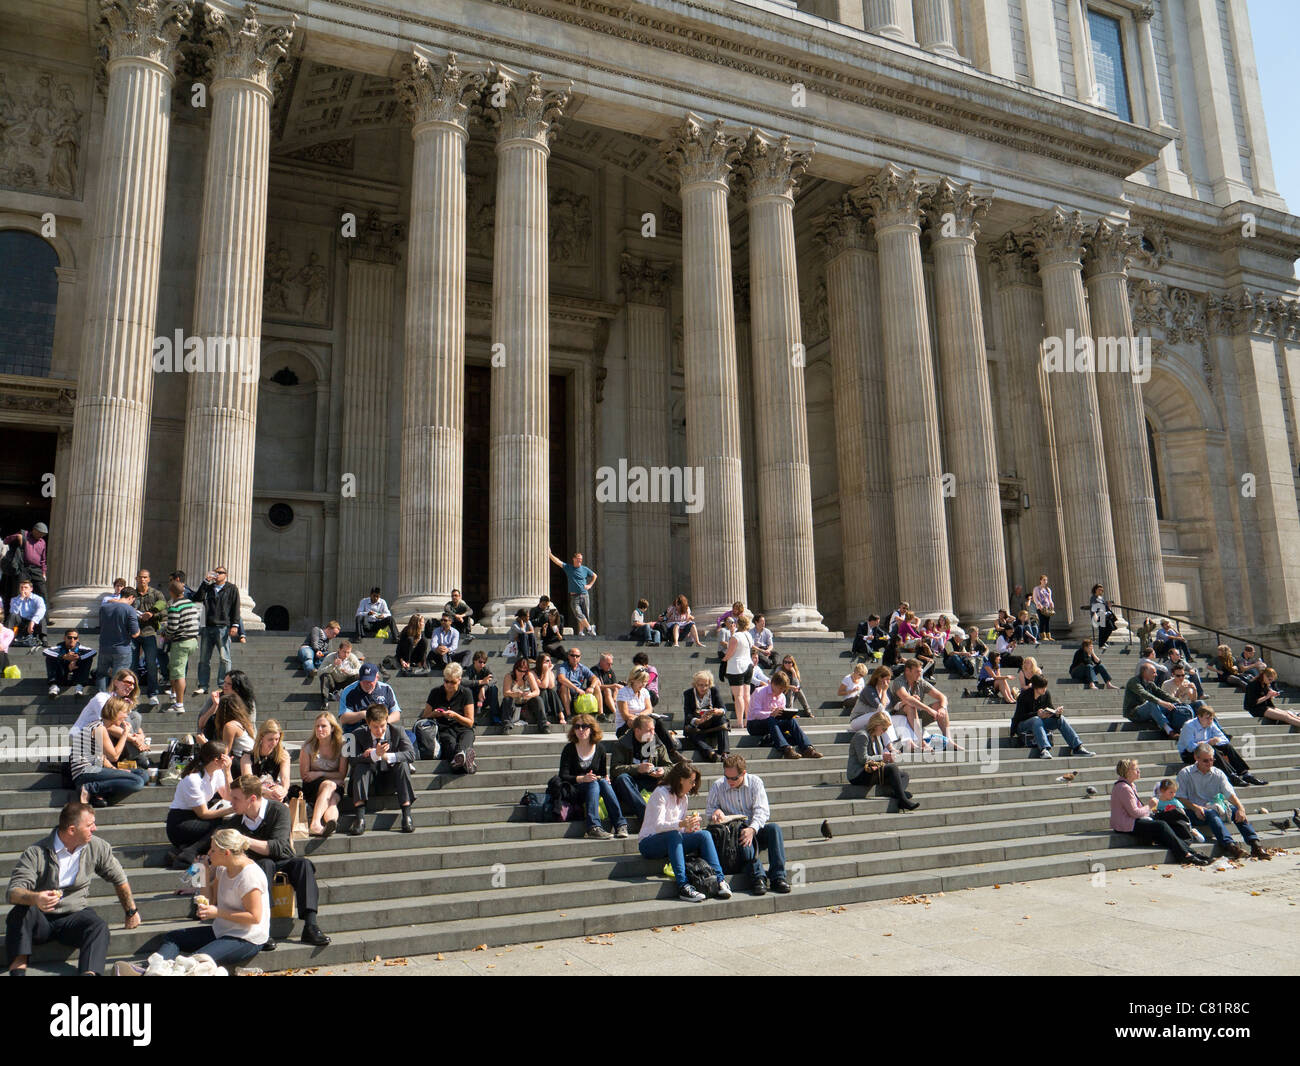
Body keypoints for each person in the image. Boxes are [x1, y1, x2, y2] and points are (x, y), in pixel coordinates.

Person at [5, 801, 140, 975]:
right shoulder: (36, 852)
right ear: (71, 830)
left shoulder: (97, 847)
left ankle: (90, 973)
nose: (95, 829)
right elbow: (13, 891)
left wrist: (131, 911)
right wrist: (36, 898)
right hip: (41, 920)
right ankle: (18, 970)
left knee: (98, 926)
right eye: (90, 825)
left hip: (74, 916)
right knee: (19, 913)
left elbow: (119, 878)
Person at [217, 777, 331, 945]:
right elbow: (216, 840)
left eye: (236, 798)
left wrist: (243, 840)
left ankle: (311, 926)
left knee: (303, 864)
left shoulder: (279, 810)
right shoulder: (235, 822)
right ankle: (264, 929)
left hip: (284, 860)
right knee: (264, 864)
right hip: (258, 866)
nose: (231, 802)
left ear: (252, 799)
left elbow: (279, 847)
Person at [156, 828, 268, 967]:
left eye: (213, 850)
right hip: (222, 930)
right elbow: (209, 900)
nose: (209, 853)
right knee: (172, 937)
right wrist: (203, 873)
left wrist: (217, 912)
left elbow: (254, 917)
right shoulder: (223, 868)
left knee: (196, 960)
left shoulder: (249, 876)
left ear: (226, 853)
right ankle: (157, 967)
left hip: (247, 938)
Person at [638, 761, 731, 903]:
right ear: (681, 780)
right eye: (691, 781)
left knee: (704, 835)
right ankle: (683, 886)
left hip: (672, 839)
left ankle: (719, 880)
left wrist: (689, 827)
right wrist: (681, 824)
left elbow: (679, 828)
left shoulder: (684, 798)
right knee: (674, 835)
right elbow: (658, 826)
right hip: (649, 842)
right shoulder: (661, 793)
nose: (694, 785)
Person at [705, 754, 790, 894]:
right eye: (727, 777)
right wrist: (716, 812)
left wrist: (752, 828)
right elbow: (709, 811)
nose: (729, 781)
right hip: (733, 836)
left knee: (774, 829)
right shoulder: (718, 786)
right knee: (742, 833)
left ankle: (778, 877)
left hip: (755, 828)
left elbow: (762, 811)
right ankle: (758, 878)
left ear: (743, 773)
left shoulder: (755, 782)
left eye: (734, 778)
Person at [1175, 745, 1270, 860]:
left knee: (1236, 810)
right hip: (1193, 811)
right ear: (1196, 758)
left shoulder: (1218, 773)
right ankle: (1229, 846)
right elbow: (1180, 797)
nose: (1209, 763)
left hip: (1215, 808)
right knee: (1210, 813)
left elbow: (1229, 794)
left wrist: (1240, 808)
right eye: (1205, 760)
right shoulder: (1185, 773)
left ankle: (1255, 845)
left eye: (1212, 760)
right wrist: (1195, 808)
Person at [1109, 758, 1209, 865]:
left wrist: (1150, 810)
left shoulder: (1130, 785)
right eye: (1136, 769)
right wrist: (1150, 806)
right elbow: (1134, 813)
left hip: (1133, 820)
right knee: (1161, 825)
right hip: (1126, 824)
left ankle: (1191, 853)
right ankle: (1186, 855)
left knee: (1167, 820)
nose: (1139, 771)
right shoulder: (1124, 787)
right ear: (1127, 772)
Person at [347, 704, 416, 835]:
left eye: (383, 726)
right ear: (368, 723)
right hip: (366, 782)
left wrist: (385, 756)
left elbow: (411, 755)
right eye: (375, 727)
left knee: (402, 764)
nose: (379, 730)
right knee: (361, 765)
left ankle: (407, 815)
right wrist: (373, 755)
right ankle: (360, 817)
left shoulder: (398, 731)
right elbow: (352, 760)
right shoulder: (357, 734)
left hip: (389, 782)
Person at [70, 695, 148, 807]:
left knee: (142, 774)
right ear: (115, 712)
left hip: (93, 770)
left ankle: (99, 796)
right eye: (124, 712)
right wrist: (125, 733)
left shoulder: (101, 726)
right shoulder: (99, 728)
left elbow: (101, 757)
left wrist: (114, 770)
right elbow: (114, 756)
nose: (126, 716)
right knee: (137, 782)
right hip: (84, 773)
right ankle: (89, 788)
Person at [165, 741, 234, 867]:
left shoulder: (217, 773)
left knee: (226, 824)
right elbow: (203, 814)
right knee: (222, 825)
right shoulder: (193, 780)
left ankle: (187, 850)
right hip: (180, 823)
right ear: (216, 760)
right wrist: (230, 811)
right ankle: (188, 855)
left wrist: (227, 772)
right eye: (226, 756)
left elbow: (229, 796)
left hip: (197, 819)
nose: (229, 759)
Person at [559, 715, 627, 839]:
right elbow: (563, 776)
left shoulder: (600, 748)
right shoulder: (569, 749)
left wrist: (605, 777)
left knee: (603, 783)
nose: (580, 730)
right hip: (574, 789)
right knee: (593, 783)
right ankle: (593, 827)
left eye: (584, 726)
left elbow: (601, 772)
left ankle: (620, 824)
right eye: (577, 727)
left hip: (593, 787)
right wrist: (582, 778)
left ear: (591, 729)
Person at [1176, 706, 1265, 786]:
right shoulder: (1189, 726)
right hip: (1188, 754)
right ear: (1199, 716)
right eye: (1207, 718)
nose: (1210, 721)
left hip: (1205, 748)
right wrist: (1208, 743)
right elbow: (1190, 747)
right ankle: (1231, 776)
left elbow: (1224, 739)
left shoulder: (1211, 724)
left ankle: (1245, 774)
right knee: (1211, 749)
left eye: (1211, 718)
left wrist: (1212, 742)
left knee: (1227, 747)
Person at [1010, 674, 1094, 758]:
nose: (1044, 689)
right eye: (1042, 687)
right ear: (1035, 687)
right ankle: (1044, 750)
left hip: (1039, 723)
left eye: (1045, 687)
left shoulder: (1046, 694)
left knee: (1060, 719)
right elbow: (1019, 717)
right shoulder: (1024, 696)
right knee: (1036, 719)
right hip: (1023, 725)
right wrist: (1037, 714)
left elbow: (1051, 709)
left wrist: (1056, 714)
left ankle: (1077, 747)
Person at [847, 711, 918, 810]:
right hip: (858, 774)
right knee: (892, 768)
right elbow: (863, 759)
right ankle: (902, 799)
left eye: (886, 729)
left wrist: (887, 758)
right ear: (876, 725)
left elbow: (877, 757)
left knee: (904, 775)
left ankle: (897, 792)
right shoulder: (862, 736)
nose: (884, 731)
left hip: (871, 770)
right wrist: (883, 757)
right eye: (883, 728)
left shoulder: (876, 736)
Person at [611, 714, 674, 821]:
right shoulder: (622, 744)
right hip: (631, 783)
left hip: (651, 780)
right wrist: (637, 768)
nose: (653, 733)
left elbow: (670, 767)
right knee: (622, 779)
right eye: (649, 730)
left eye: (653, 729)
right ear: (637, 731)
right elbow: (614, 770)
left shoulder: (657, 744)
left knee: (677, 777)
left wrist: (662, 771)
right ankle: (646, 816)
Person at [748, 670, 821, 759]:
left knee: (791, 720)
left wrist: (787, 715)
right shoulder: (759, 692)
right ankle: (786, 749)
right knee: (771, 719)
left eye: (784, 689)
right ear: (773, 684)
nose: (782, 691)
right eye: (780, 688)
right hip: (754, 724)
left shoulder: (782, 696)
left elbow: (780, 716)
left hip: (773, 724)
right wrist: (771, 713)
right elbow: (755, 714)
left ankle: (807, 748)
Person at [419, 663, 477, 773]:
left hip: (463, 728)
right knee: (449, 743)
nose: (449, 685)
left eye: (453, 682)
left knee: (467, 737)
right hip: (444, 729)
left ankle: (459, 759)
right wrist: (434, 714)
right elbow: (424, 717)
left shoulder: (466, 693)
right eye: (446, 681)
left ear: (459, 680)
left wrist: (455, 715)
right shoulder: (435, 692)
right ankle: (467, 762)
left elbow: (470, 722)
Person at [193, 567, 240, 695]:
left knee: (225, 658)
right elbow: (197, 598)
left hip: (223, 626)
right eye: (215, 572)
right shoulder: (208, 587)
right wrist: (205, 582)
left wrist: (235, 625)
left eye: (220, 573)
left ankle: (222, 685)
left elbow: (236, 607)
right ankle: (203, 685)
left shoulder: (231, 588)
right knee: (203, 658)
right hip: (207, 626)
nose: (217, 575)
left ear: (226, 574)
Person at [301, 713, 348, 837]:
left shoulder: (342, 745)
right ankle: (315, 824)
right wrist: (329, 778)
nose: (319, 729)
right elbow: (305, 776)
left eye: (323, 726)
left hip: (334, 784)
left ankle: (330, 825)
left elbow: (342, 775)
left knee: (333, 801)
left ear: (332, 728)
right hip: (312, 786)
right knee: (329, 785)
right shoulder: (308, 746)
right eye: (317, 726)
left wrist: (320, 773)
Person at [615, 666, 679, 755]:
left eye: (645, 681)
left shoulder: (644, 691)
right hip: (625, 727)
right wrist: (641, 718)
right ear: (632, 680)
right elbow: (625, 716)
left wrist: (639, 716)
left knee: (657, 722)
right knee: (651, 723)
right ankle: (662, 753)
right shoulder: (623, 692)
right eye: (641, 681)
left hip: (639, 721)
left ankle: (672, 751)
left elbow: (649, 708)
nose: (643, 684)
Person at [889, 659, 953, 744]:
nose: (920, 674)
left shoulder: (921, 682)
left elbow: (942, 697)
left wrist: (942, 708)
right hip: (901, 717)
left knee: (940, 706)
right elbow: (907, 699)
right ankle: (921, 741)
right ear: (907, 671)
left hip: (917, 717)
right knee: (910, 706)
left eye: (920, 671)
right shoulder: (899, 681)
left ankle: (948, 740)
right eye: (917, 672)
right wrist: (929, 710)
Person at [1123, 662, 1193, 740]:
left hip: (1147, 710)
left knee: (1173, 706)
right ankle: (1170, 731)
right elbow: (1144, 694)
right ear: (1145, 673)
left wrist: (1177, 701)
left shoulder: (1150, 684)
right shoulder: (1134, 682)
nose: (1156, 674)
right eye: (1154, 672)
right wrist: (1161, 702)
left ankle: (1181, 728)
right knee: (1152, 704)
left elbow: (1162, 694)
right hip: (1133, 713)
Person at [163, 577, 200, 715]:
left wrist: (164, 632)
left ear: (171, 592)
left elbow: (172, 627)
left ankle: (179, 704)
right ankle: (173, 695)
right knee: (175, 667)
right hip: (193, 640)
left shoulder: (174, 606)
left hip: (181, 641)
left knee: (178, 673)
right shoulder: (191, 604)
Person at [131, 570, 167, 704]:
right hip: (133, 633)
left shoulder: (155, 593)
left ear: (149, 579)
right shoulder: (132, 594)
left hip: (150, 632)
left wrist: (152, 613)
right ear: (136, 578)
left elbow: (164, 607)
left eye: (145, 577)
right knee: (132, 665)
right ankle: (133, 693)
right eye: (140, 577)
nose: (142, 580)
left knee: (151, 664)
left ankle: (153, 693)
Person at [96, 585, 139, 691]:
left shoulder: (104, 608)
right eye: (133, 600)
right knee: (119, 678)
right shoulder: (130, 610)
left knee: (101, 674)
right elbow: (135, 633)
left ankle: (101, 699)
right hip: (122, 649)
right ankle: (114, 702)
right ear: (131, 597)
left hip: (104, 647)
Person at [548, 547, 598, 637]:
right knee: (578, 612)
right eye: (578, 559)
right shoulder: (569, 568)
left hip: (584, 594)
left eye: (581, 559)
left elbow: (595, 575)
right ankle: (590, 628)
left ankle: (581, 631)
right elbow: (558, 562)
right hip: (575, 596)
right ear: (574, 559)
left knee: (584, 614)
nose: (580, 560)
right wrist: (550, 554)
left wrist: (590, 585)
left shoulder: (585, 569)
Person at [683, 670, 729, 761]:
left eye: (706, 685)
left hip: (712, 723)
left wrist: (717, 711)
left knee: (723, 720)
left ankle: (724, 753)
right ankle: (710, 753)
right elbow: (687, 714)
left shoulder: (714, 691)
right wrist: (698, 720)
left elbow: (723, 708)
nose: (703, 688)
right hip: (697, 724)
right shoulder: (688, 693)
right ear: (695, 684)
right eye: (700, 685)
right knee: (691, 731)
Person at [337, 661, 402, 727]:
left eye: (370, 681)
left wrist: (383, 722)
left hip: (382, 728)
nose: (367, 684)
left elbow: (396, 713)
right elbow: (343, 718)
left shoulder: (386, 689)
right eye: (364, 681)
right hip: (356, 729)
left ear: (377, 677)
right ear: (359, 677)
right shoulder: (349, 691)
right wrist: (363, 715)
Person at [724, 612, 756, 727]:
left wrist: (724, 660)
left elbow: (730, 653)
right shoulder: (748, 635)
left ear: (737, 624)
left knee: (738, 696)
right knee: (746, 695)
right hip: (748, 665)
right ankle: (748, 720)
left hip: (736, 667)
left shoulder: (735, 637)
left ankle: (739, 722)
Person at [3, 522, 48, 601]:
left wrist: (44, 573)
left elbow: (43, 560)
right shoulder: (24, 534)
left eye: (43, 534)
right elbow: (6, 541)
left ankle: (44, 612)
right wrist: (17, 536)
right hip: (23, 568)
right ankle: (17, 612)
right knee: (20, 591)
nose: (41, 536)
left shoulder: (42, 542)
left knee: (42, 591)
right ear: (34, 530)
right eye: (40, 533)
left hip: (36, 570)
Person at [246, 719, 291, 800]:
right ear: (261, 738)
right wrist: (267, 792)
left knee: (278, 792)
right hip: (255, 792)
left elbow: (285, 778)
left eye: (277, 739)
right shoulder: (247, 757)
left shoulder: (283, 754)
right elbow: (249, 783)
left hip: (275, 790)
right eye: (270, 739)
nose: (274, 743)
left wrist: (284, 791)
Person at [45, 629, 96, 698]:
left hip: (77, 675)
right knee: (50, 657)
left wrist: (77, 659)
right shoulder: (59, 648)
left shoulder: (81, 648)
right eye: (69, 637)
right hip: (61, 675)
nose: (72, 640)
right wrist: (64, 656)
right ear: (64, 638)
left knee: (88, 657)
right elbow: (46, 651)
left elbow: (93, 651)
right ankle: (54, 686)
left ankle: (79, 686)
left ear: (78, 639)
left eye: (75, 638)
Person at [500, 656, 542, 734]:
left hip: (525, 705)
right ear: (515, 668)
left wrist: (530, 695)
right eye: (519, 670)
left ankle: (543, 724)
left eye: (524, 671)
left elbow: (537, 691)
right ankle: (506, 725)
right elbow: (506, 693)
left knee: (538, 699)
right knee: (507, 699)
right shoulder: (509, 676)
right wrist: (515, 694)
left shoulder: (528, 675)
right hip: (512, 705)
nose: (522, 673)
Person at [556, 646, 598, 719]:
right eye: (572, 655)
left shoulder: (582, 667)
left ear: (580, 657)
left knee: (596, 687)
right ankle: (568, 714)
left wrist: (592, 687)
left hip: (579, 692)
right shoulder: (563, 666)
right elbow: (561, 678)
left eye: (577, 656)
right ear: (568, 656)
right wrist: (576, 688)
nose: (575, 658)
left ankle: (600, 714)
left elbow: (595, 678)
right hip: (567, 691)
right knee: (564, 686)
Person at [848, 665, 892, 732]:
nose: (888, 682)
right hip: (857, 720)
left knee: (901, 719)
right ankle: (890, 742)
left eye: (889, 679)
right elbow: (881, 708)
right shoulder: (869, 690)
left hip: (876, 718)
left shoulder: (887, 689)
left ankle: (900, 741)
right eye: (887, 679)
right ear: (879, 678)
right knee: (883, 714)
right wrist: (884, 691)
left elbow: (892, 706)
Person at [317, 639, 361, 704]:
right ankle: (325, 701)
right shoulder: (330, 657)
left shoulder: (352, 657)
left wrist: (349, 671)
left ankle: (354, 698)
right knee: (325, 676)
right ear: (339, 650)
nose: (346, 655)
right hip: (333, 683)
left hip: (346, 682)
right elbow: (320, 672)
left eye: (348, 652)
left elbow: (360, 670)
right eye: (344, 652)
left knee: (358, 676)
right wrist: (333, 665)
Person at [6, 578, 47, 647]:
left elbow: (41, 610)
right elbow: (13, 612)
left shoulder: (37, 598)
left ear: (31, 589)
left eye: (26, 587)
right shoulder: (14, 599)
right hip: (21, 622)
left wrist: (33, 621)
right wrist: (21, 599)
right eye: (21, 587)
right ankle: (7, 638)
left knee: (42, 618)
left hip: (33, 622)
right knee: (12, 616)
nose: (23, 589)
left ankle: (44, 639)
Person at [464, 650, 500, 726]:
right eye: (480, 662)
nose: (482, 664)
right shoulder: (469, 669)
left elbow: (494, 679)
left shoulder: (486, 669)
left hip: (483, 697)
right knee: (467, 690)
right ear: (474, 661)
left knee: (494, 688)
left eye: (484, 662)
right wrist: (481, 682)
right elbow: (464, 682)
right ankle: (471, 717)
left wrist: (483, 688)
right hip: (472, 697)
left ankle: (495, 717)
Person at [535, 652, 566, 728]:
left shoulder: (550, 672)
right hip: (536, 698)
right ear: (540, 662)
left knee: (552, 691)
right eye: (547, 661)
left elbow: (551, 686)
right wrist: (546, 671)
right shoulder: (534, 672)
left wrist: (548, 671)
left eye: (550, 661)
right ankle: (544, 716)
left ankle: (561, 715)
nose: (550, 663)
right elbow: (544, 686)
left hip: (548, 697)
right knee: (543, 691)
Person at [591, 651, 619, 720]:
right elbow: (597, 686)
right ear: (601, 662)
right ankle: (616, 714)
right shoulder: (594, 670)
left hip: (609, 697)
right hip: (597, 694)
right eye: (608, 664)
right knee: (607, 689)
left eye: (611, 664)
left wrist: (614, 698)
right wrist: (612, 686)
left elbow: (615, 687)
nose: (610, 666)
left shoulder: (610, 671)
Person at [1089, 584, 1117, 649]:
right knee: (1102, 630)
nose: (1101, 591)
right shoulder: (1093, 598)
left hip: (1105, 615)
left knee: (1110, 628)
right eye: (1099, 590)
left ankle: (1103, 642)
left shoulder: (1101, 598)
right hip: (1099, 615)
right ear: (1095, 590)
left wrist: (1108, 604)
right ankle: (1101, 645)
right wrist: (1094, 615)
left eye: (1102, 590)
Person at [1031, 574, 1056, 641]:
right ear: (1040, 580)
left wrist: (1051, 603)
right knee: (1042, 621)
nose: (1045, 581)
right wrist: (1039, 605)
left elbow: (1050, 598)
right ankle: (1043, 635)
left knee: (1047, 621)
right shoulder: (1036, 588)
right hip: (1040, 608)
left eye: (1046, 580)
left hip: (1047, 608)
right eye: (1044, 580)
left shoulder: (1048, 589)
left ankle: (1048, 635)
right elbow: (1035, 598)